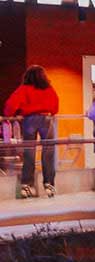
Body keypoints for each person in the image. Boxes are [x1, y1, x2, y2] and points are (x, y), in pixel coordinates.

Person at [4, 65, 59, 199]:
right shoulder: (49, 89)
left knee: (29, 151)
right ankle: (49, 184)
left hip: (30, 119)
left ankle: (26, 185)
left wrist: (12, 115)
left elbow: (10, 105)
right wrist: (50, 112)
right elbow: (56, 105)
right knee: (49, 151)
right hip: (46, 118)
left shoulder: (24, 89)